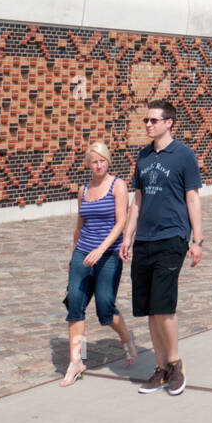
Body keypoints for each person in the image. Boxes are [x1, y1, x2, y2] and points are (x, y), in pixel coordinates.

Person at [120, 101, 202, 396]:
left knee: (164, 306)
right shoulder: (143, 156)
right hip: (144, 239)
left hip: (172, 237)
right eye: (146, 120)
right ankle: (161, 368)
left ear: (169, 123)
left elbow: (192, 198)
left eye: (153, 120)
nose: (148, 124)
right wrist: (127, 236)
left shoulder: (184, 156)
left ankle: (175, 364)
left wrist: (197, 240)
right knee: (150, 310)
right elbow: (138, 200)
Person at [60, 141, 136, 386]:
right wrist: (74, 255)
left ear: (108, 161)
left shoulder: (117, 185)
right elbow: (79, 225)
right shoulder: (83, 190)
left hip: (108, 253)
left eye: (102, 161)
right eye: (94, 162)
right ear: (88, 164)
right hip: (83, 252)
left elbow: (121, 222)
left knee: (105, 307)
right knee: (75, 302)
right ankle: (76, 361)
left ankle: (127, 338)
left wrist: (101, 249)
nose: (98, 165)